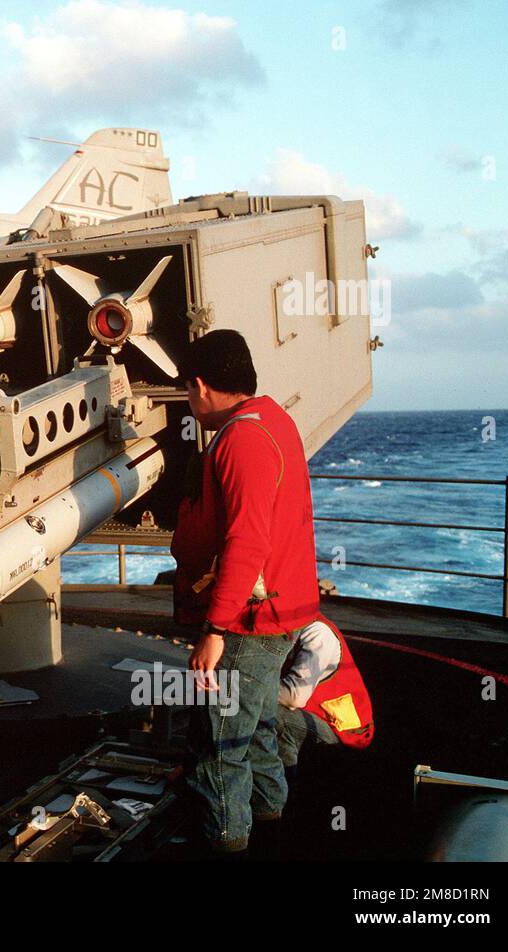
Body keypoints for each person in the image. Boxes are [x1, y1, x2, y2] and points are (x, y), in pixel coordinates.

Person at [170, 329, 320, 857]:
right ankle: (270, 821)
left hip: (248, 623)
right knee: (253, 730)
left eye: (188, 391)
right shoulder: (272, 421)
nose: (190, 403)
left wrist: (213, 631)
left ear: (202, 387)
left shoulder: (241, 440)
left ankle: (227, 843)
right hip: (278, 611)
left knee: (217, 748)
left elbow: (246, 542)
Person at [277, 613, 374, 772]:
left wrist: (248, 690)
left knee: (269, 714)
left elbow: (294, 696)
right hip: (309, 713)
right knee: (235, 707)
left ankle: (279, 790)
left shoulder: (318, 632)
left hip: (340, 733)